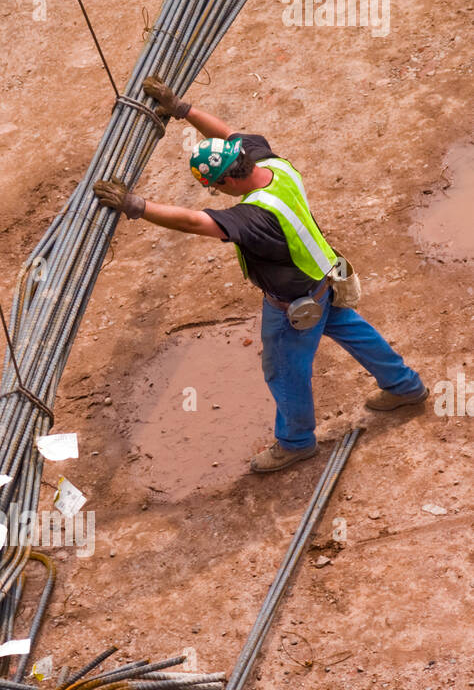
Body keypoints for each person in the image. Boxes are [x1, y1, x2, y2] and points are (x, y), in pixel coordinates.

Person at [93, 76, 428, 473]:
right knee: (350, 328)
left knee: (284, 368)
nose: (220, 195)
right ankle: (405, 387)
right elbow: (229, 134)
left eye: (217, 188)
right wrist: (181, 108)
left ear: (230, 180)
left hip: (294, 302)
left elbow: (193, 223)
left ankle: (296, 442)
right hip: (323, 276)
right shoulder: (275, 167)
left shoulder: (252, 217)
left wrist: (136, 205)